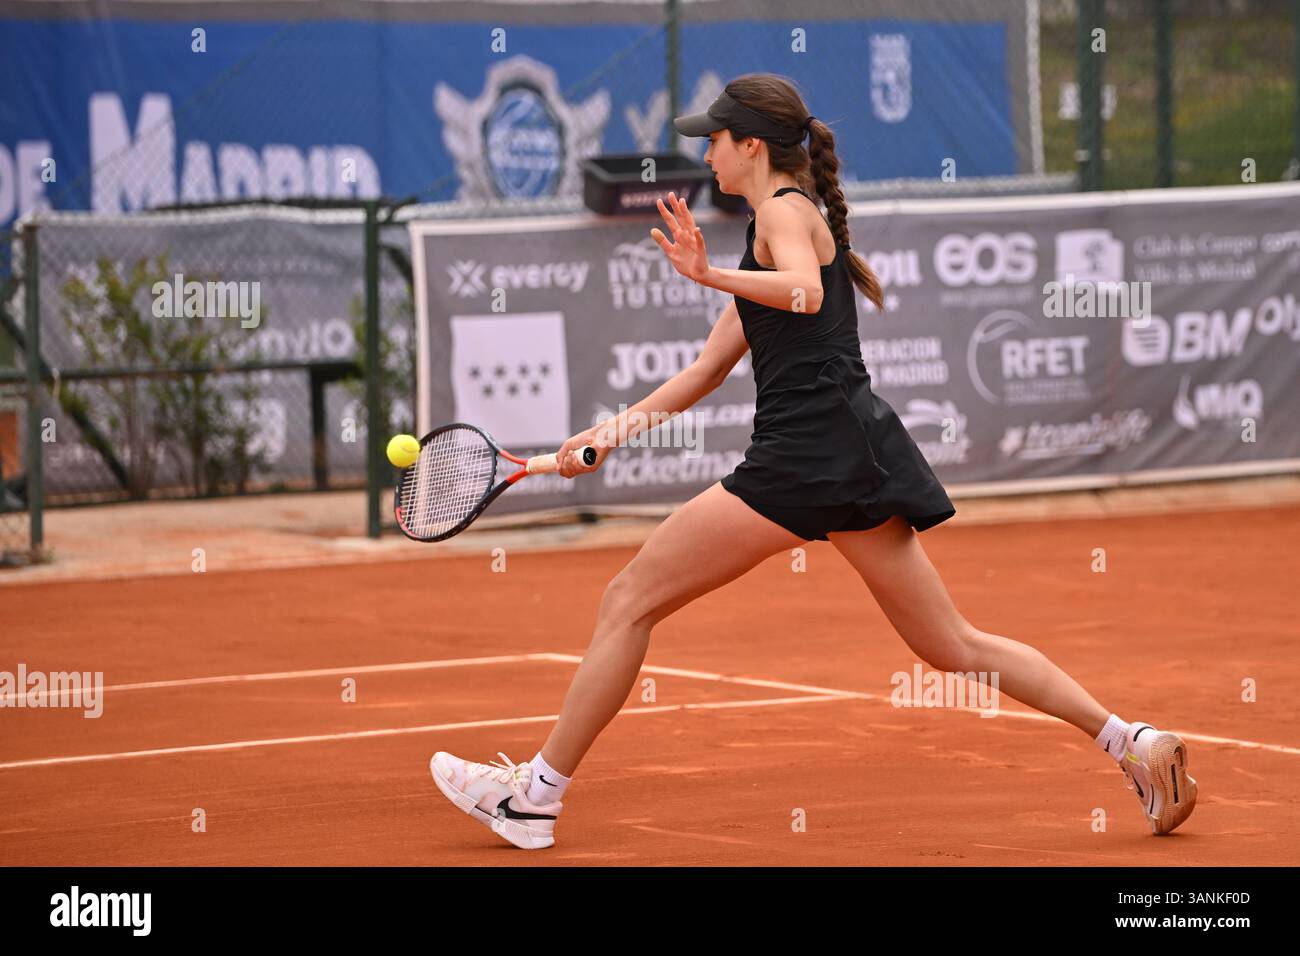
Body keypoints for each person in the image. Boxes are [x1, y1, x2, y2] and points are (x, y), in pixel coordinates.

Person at [428, 73, 1197, 849]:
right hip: (852, 457)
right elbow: (704, 371)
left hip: (801, 460)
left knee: (630, 600)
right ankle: (1131, 742)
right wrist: (610, 432)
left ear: (751, 145)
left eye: (715, 140)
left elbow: (799, 293)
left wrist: (706, 274)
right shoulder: (784, 223)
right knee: (953, 645)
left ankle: (534, 798)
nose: (708, 155)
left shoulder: (784, 217)